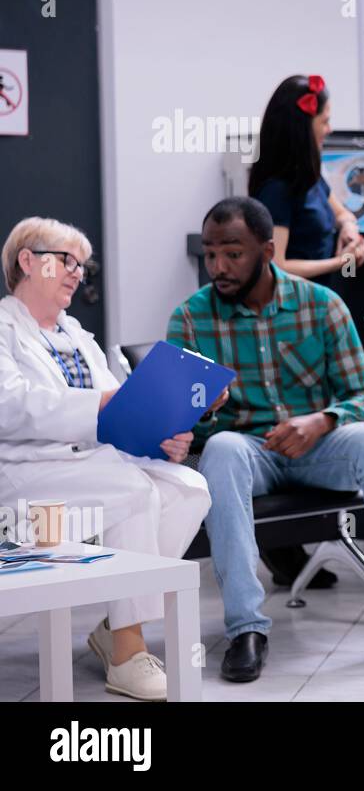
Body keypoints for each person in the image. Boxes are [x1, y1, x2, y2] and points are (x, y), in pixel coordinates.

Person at [167, 197, 364, 683]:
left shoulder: (322, 305)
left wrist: (322, 420)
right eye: (211, 254)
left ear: (267, 249)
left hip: (318, 449)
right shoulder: (192, 318)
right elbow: (177, 428)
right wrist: (201, 410)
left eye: (233, 253)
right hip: (248, 452)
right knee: (221, 449)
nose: (218, 266)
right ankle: (246, 630)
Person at [0, 217, 210, 701]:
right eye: (67, 260)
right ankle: (128, 653)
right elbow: (11, 408)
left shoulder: (77, 334)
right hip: (25, 474)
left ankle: (114, 623)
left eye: (83, 266)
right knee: (133, 492)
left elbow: (118, 412)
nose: (78, 273)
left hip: (90, 464)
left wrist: (159, 437)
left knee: (188, 489)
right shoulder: (5, 329)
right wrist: (99, 406)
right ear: (28, 261)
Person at [248, 74, 364, 588]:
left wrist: (350, 228)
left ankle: (288, 549)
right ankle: (280, 547)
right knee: (286, 430)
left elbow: (340, 206)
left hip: (313, 319)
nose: (330, 127)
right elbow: (277, 266)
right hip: (286, 324)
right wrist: (338, 263)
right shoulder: (277, 187)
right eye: (323, 120)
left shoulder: (311, 177)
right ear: (304, 126)